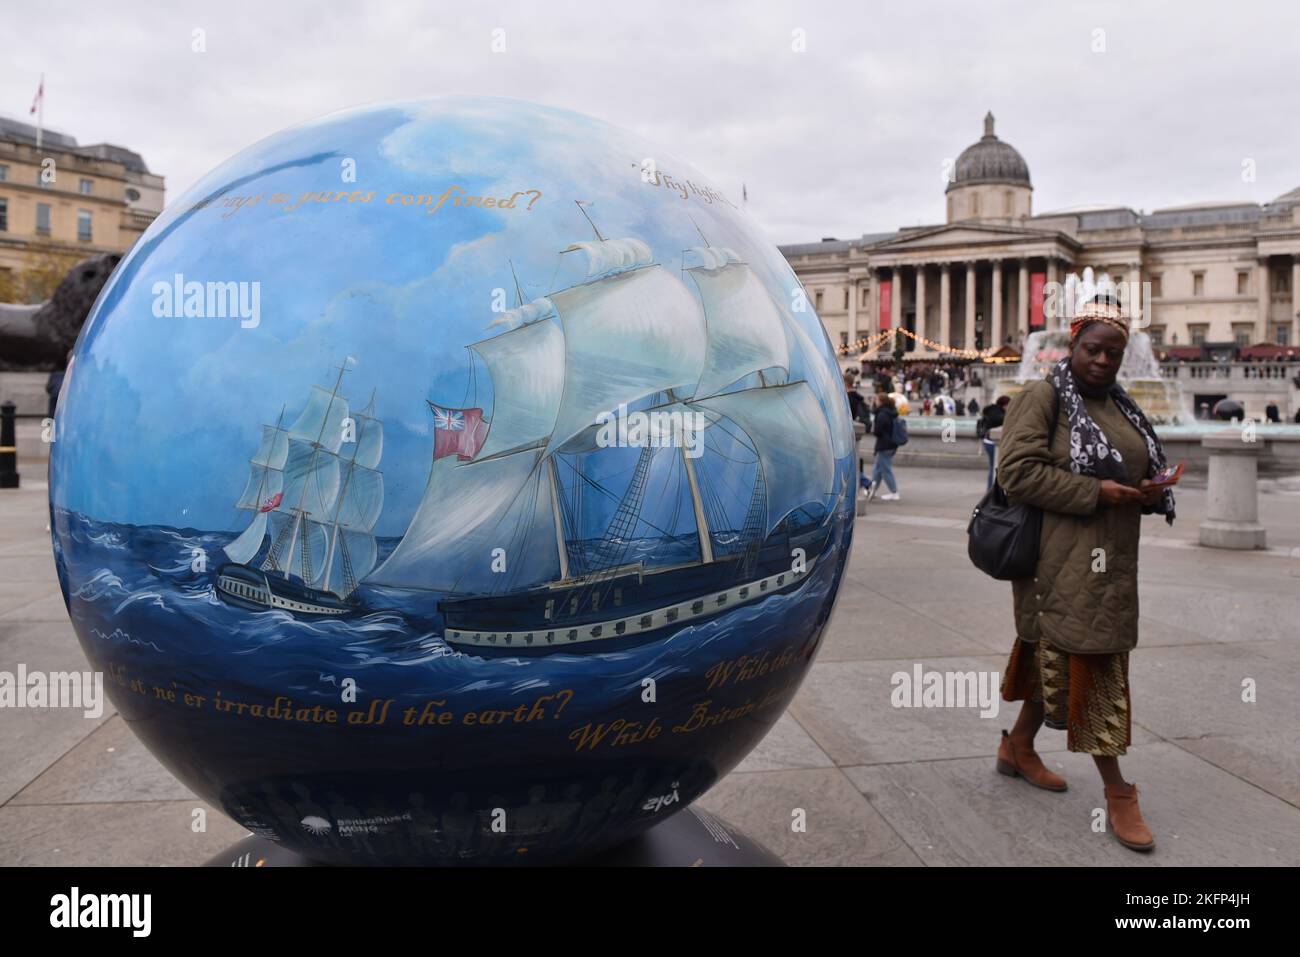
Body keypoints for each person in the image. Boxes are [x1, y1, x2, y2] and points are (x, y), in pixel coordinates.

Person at [994, 294, 1175, 853]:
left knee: (1056, 651)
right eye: (1093, 349)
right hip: (1058, 560)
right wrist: (1098, 492)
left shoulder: (1121, 407)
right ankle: (1119, 792)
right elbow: (1017, 473)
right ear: (1072, 345)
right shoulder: (1043, 397)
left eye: (1114, 354)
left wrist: (1145, 494)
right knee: (1093, 667)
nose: (1103, 361)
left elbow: (1129, 466)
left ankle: (1017, 748)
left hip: (1110, 560)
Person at [866, 392, 901, 501]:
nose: (875, 402)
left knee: (885, 469)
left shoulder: (882, 414)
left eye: (876, 400)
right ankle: (872, 491)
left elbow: (878, 431)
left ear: (880, 401)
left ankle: (894, 492)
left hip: (884, 445)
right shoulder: (890, 412)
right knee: (878, 469)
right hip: (890, 444)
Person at [977, 394, 1011, 489]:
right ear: (1004, 405)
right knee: (995, 467)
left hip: (990, 442)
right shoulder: (995, 411)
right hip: (991, 443)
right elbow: (999, 420)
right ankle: (991, 491)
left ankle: (992, 490)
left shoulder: (993, 410)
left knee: (994, 467)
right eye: (1009, 405)